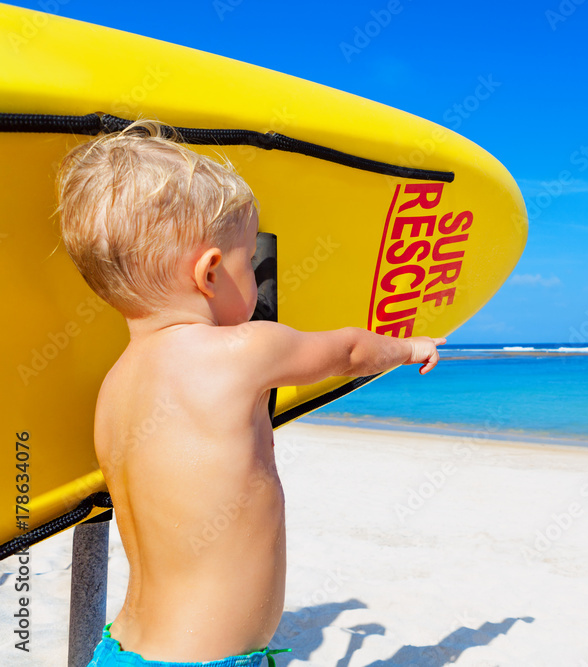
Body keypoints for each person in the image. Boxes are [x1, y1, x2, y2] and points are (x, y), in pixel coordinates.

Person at [56, 119, 445, 667]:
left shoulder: (115, 388)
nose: (257, 274)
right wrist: (408, 347)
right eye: (251, 260)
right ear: (211, 272)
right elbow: (350, 353)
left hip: (120, 650)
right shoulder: (242, 351)